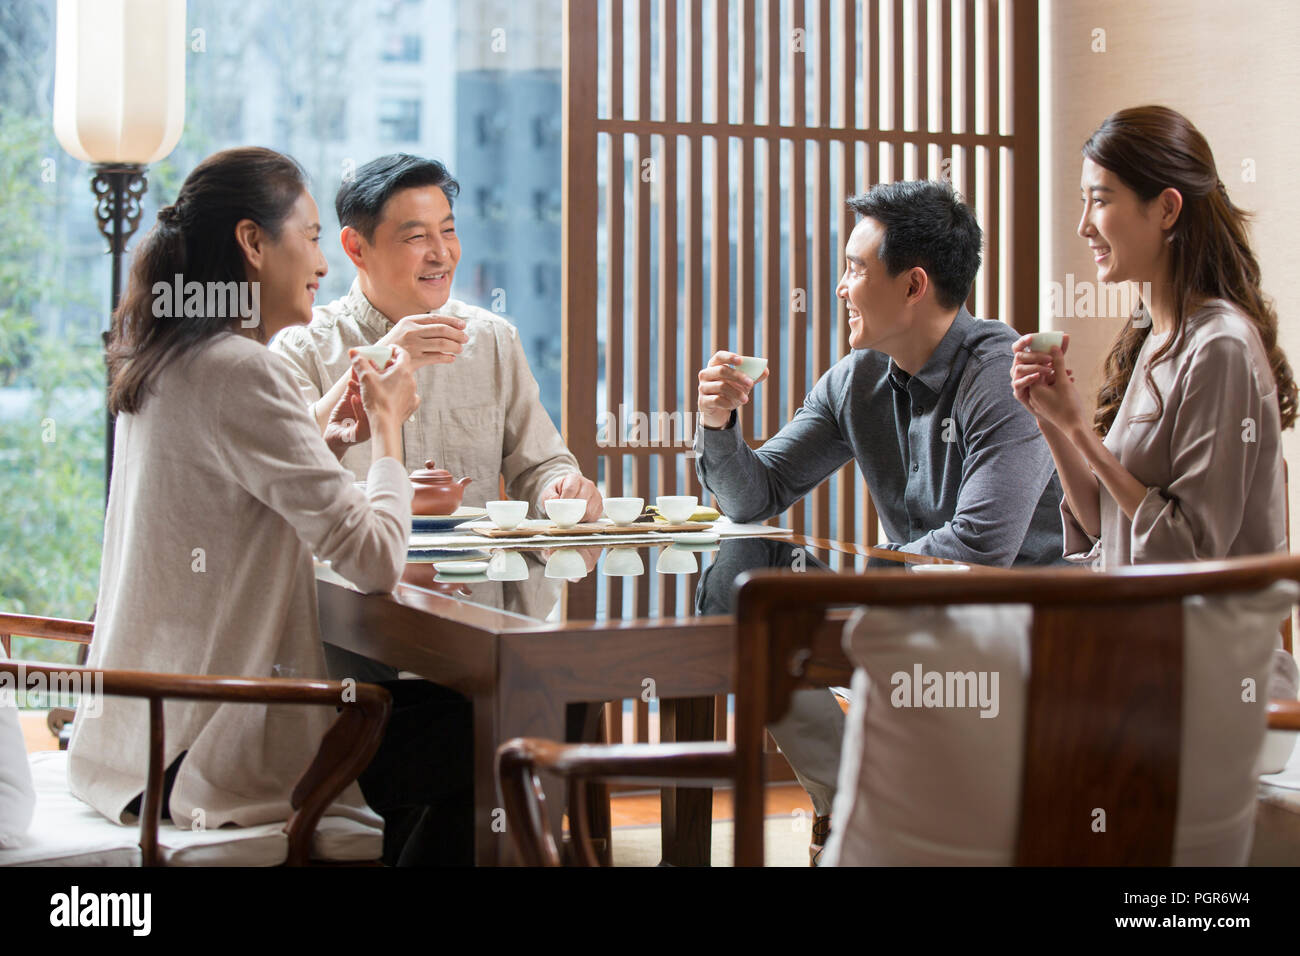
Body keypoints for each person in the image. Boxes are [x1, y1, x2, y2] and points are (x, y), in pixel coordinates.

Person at [66, 147, 473, 865]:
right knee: (487, 729)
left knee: (444, 728)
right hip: (205, 751)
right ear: (253, 243)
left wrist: (324, 431)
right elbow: (376, 562)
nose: (321, 265)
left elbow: (225, 487)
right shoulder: (243, 369)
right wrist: (388, 428)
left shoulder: (165, 356)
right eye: (311, 238)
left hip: (133, 745)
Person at [693, 179, 1065, 862]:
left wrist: (860, 579)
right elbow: (756, 496)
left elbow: (979, 549)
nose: (840, 288)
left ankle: (868, 810)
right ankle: (846, 801)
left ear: (914, 284)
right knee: (737, 580)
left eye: (855, 269)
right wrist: (718, 421)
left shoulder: (1000, 373)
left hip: (1004, 621)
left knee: (802, 607)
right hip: (900, 603)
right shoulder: (856, 379)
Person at [1010, 105, 1296, 568]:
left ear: (1166, 209)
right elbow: (1104, 524)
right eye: (1084, 201)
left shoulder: (1220, 345)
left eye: (1100, 201)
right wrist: (1053, 421)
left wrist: (1081, 430)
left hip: (1204, 618)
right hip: (1141, 611)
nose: (1084, 226)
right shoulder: (1153, 339)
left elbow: (1192, 549)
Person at [270, 153, 601, 520]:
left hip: (473, 559)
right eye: (416, 236)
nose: (442, 254)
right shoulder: (302, 346)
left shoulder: (491, 340)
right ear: (356, 247)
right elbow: (283, 471)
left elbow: (539, 466)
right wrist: (379, 360)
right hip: (357, 559)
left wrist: (560, 487)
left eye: (448, 231)